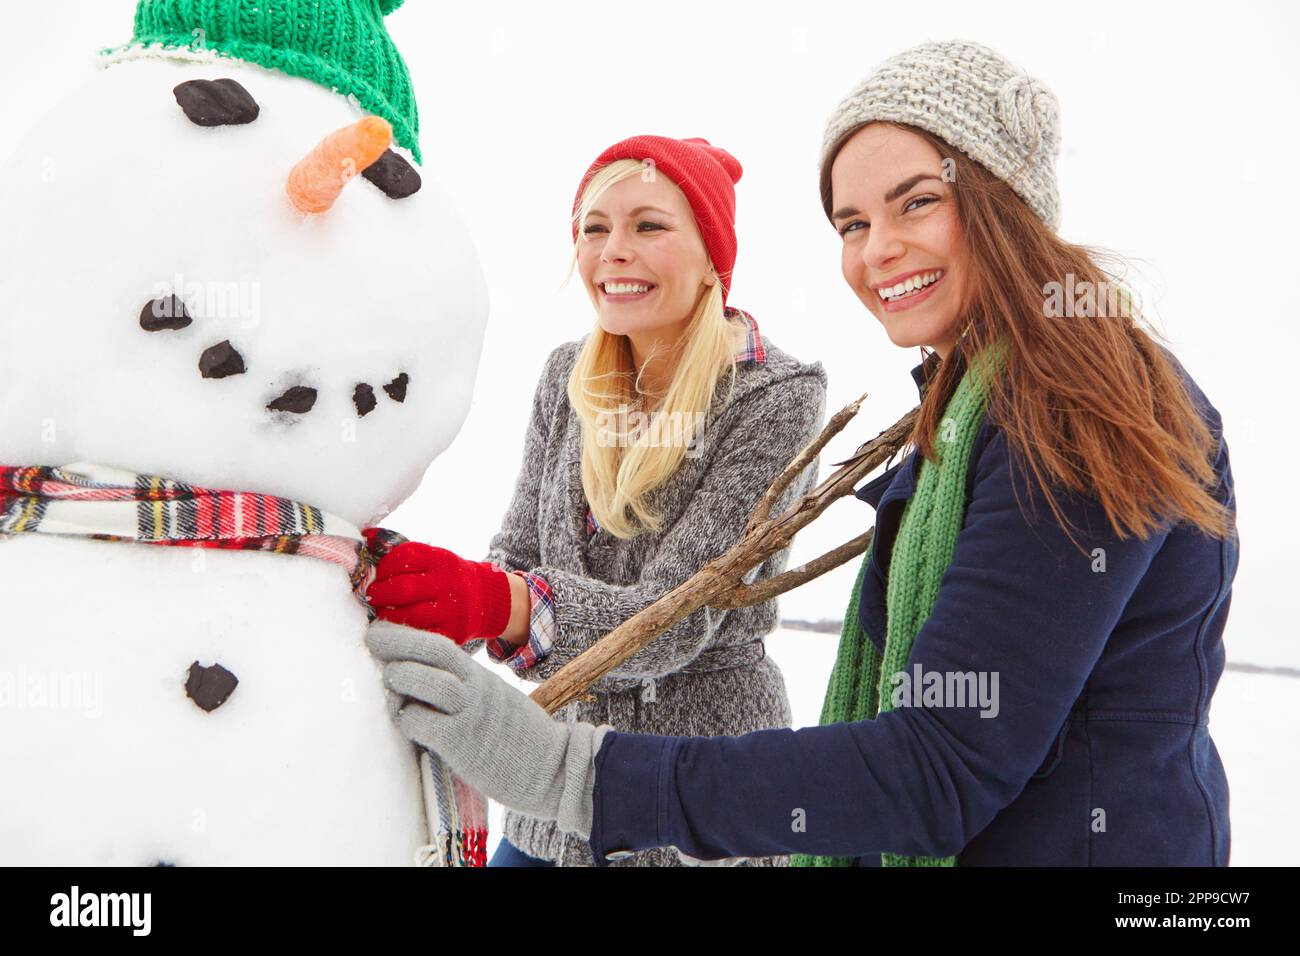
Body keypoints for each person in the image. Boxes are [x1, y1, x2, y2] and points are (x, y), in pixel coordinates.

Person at [368, 41, 1238, 867]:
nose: (876, 250)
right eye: (851, 223)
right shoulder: (974, 398)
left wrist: (571, 770)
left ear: (1005, 197)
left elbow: (941, 766)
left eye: (916, 202)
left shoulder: (1073, 403)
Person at [365, 135, 828, 866]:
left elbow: (677, 617)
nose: (613, 249)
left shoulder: (775, 396)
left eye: (649, 225)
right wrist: (439, 593)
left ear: (713, 255)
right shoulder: (567, 377)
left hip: (698, 807)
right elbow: (515, 555)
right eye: (594, 228)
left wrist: (499, 603)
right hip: (551, 798)